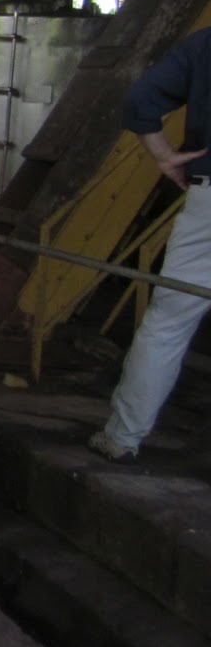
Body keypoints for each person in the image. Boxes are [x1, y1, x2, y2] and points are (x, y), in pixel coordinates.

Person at [90, 27, 211, 463]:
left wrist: (163, 156)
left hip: (208, 200)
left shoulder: (205, 44)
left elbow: (140, 101)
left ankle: (122, 437)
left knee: (169, 323)